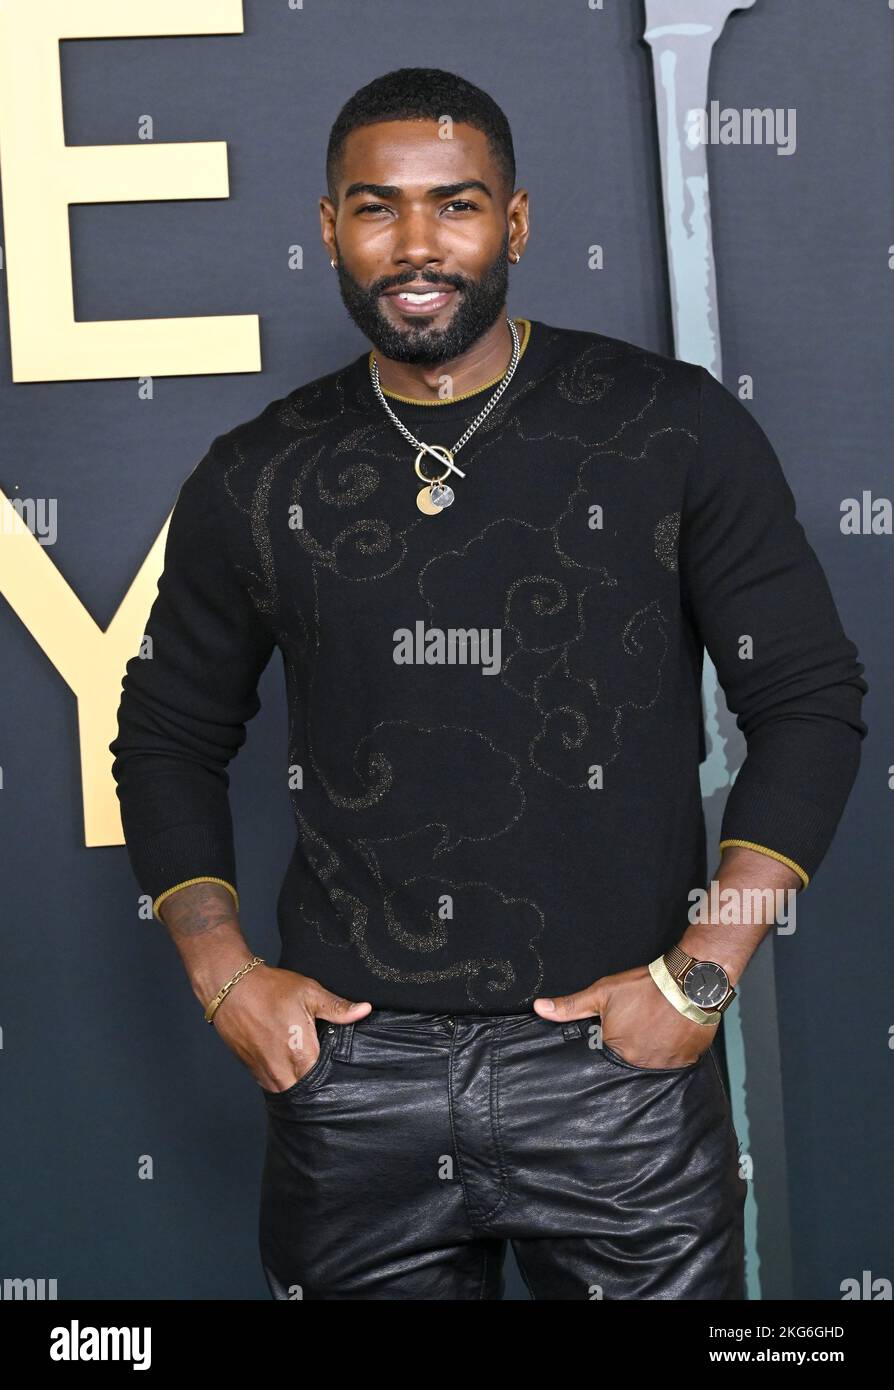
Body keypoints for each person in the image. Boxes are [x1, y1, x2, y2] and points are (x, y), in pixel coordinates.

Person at [109, 67, 868, 1301]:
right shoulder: (257, 473)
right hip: (350, 1088)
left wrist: (702, 974)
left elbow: (810, 701)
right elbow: (166, 733)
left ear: (514, 222)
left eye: (456, 205)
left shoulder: (664, 428)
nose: (417, 245)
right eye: (376, 208)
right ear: (326, 229)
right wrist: (226, 978)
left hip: (617, 1075)